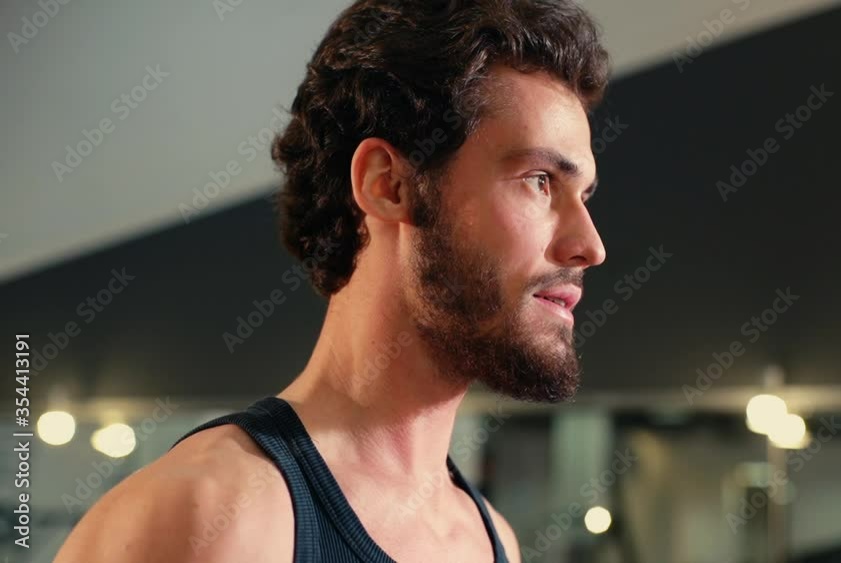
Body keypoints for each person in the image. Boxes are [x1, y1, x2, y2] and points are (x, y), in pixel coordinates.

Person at [53, 0, 610, 561]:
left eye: (583, 196)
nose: (590, 246)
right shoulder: (211, 518)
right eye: (539, 181)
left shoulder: (494, 543)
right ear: (387, 184)